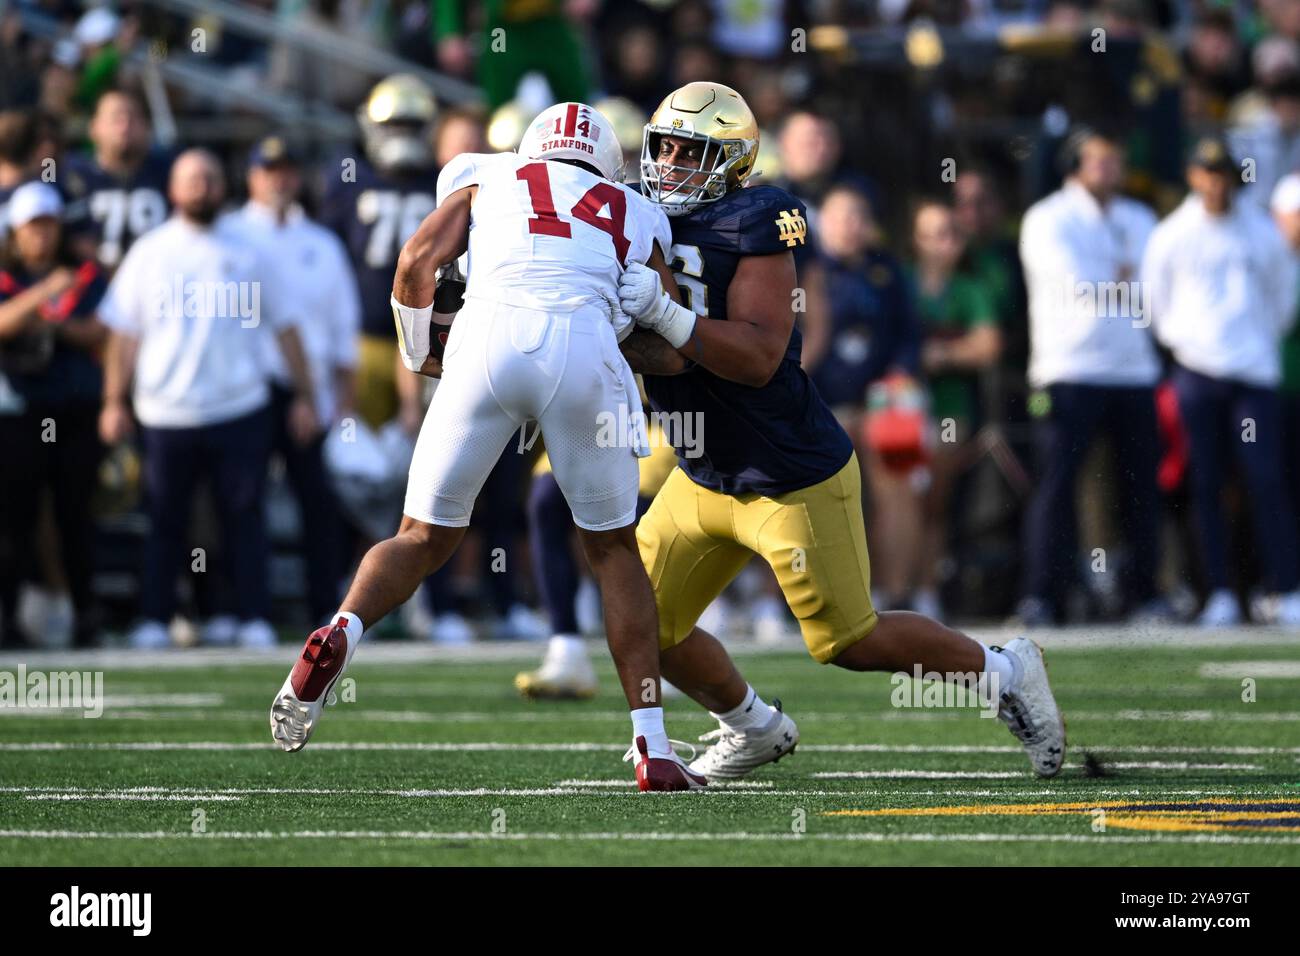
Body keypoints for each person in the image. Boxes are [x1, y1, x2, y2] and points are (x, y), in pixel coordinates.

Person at [614, 81, 1065, 781]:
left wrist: (666, 317)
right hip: (702, 471)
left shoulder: (759, 217)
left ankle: (1003, 669)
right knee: (644, 623)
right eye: (663, 146)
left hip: (788, 473)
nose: (670, 163)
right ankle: (753, 727)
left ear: (734, 160)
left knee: (850, 641)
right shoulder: (636, 214)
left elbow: (762, 357)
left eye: (691, 150)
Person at [270, 102, 705, 791]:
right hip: (585, 352)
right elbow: (674, 354)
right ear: (608, 160)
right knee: (613, 549)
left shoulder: (482, 174)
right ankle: (651, 745)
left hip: (486, 341)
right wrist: (633, 316)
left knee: (420, 536)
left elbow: (415, 263)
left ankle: (342, 631)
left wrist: (424, 357)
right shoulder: (635, 209)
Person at [98, 149, 318, 649]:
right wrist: (113, 401)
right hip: (164, 409)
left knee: (244, 516)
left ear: (225, 187)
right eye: (192, 178)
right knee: (164, 519)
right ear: (173, 190)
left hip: (239, 405)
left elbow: (287, 328)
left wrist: (306, 395)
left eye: (211, 178)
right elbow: (123, 335)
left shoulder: (249, 250)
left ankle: (251, 615)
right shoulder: (150, 252)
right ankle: (155, 617)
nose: (202, 187)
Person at [1144, 136, 1300, 626]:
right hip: (1198, 372)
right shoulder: (1172, 233)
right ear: (1194, 176)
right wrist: (1189, 345)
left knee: (1266, 478)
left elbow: (1282, 299)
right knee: (1206, 481)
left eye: (1224, 174)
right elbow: (1156, 301)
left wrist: (1253, 345)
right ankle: (1219, 592)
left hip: (1252, 373)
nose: (1217, 184)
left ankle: (1285, 589)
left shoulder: (1261, 232)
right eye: (1208, 174)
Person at [1016, 128, 1165, 626]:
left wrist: (1122, 283)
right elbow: (1077, 286)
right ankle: (1043, 596)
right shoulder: (1047, 218)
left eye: (1114, 159)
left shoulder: (1139, 217)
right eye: (1098, 159)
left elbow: (1160, 288)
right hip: (1068, 369)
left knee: (1141, 486)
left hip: (1133, 369)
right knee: (1056, 486)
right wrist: (1124, 280)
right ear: (1074, 165)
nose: (1109, 169)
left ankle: (1143, 595)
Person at [234, 136, 360, 628]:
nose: (280, 179)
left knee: (319, 502)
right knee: (241, 502)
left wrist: (335, 399)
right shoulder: (231, 235)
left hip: (314, 391)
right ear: (252, 177)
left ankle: (325, 608)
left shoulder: (322, 244)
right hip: (247, 388)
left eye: (287, 169)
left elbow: (341, 327)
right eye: (269, 170)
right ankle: (248, 611)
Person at [0, 183, 108, 648]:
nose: (41, 236)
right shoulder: (16, 277)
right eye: (32, 228)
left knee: (75, 516)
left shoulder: (83, 275)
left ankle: (86, 615)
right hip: (20, 414)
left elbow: (99, 330)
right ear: (15, 233)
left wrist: (49, 321)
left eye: (48, 226)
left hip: (76, 410)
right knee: (14, 521)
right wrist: (45, 294)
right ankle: (9, 618)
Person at [320, 74, 438, 432]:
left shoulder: (444, 179)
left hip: (427, 341)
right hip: (366, 336)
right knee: (362, 442)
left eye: (410, 126)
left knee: (426, 442)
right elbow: (330, 257)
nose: (401, 136)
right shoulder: (352, 178)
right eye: (393, 126)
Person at [908, 199, 1002, 619]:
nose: (941, 244)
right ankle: (890, 585)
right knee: (892, 501)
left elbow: (987, 346)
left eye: (948, 234)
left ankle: (926, 589)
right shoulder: (901, 281)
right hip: (899, 409)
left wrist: (939, 356)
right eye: (931, 234)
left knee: (934, 504)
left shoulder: (970, 289)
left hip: (948, 408)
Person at [63, 87, 171, 270]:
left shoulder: (170, 171)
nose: (125, 126)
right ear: (94, 127)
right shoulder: (70, 175)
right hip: (91, 289)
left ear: (147, 126)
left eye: (133, 118)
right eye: (115, 118)